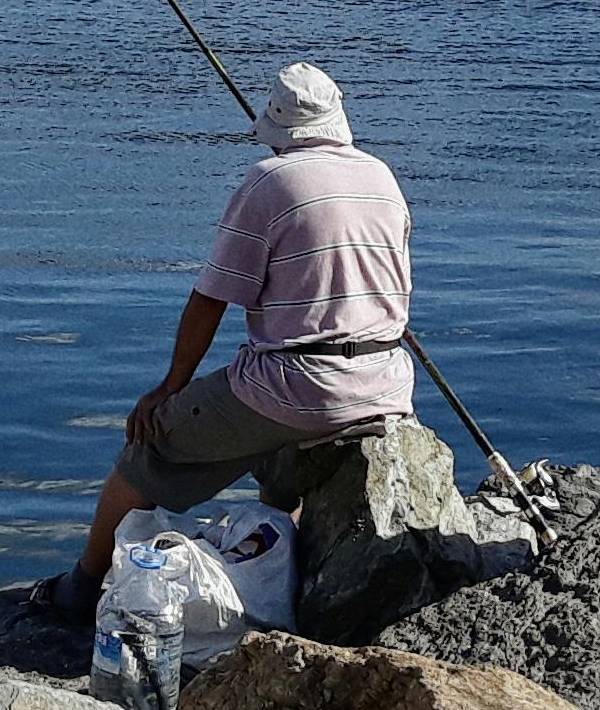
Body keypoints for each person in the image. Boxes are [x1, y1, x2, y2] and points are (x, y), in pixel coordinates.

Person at [40, 60, 416, 618]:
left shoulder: (269, 180)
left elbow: (211, 297)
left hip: (302, 384)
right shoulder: (382, 177)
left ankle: (81, 590)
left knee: (149, 448)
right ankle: (281, 564)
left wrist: (169, 388)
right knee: (280, 448)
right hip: (385, 381)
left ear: (277, 128)